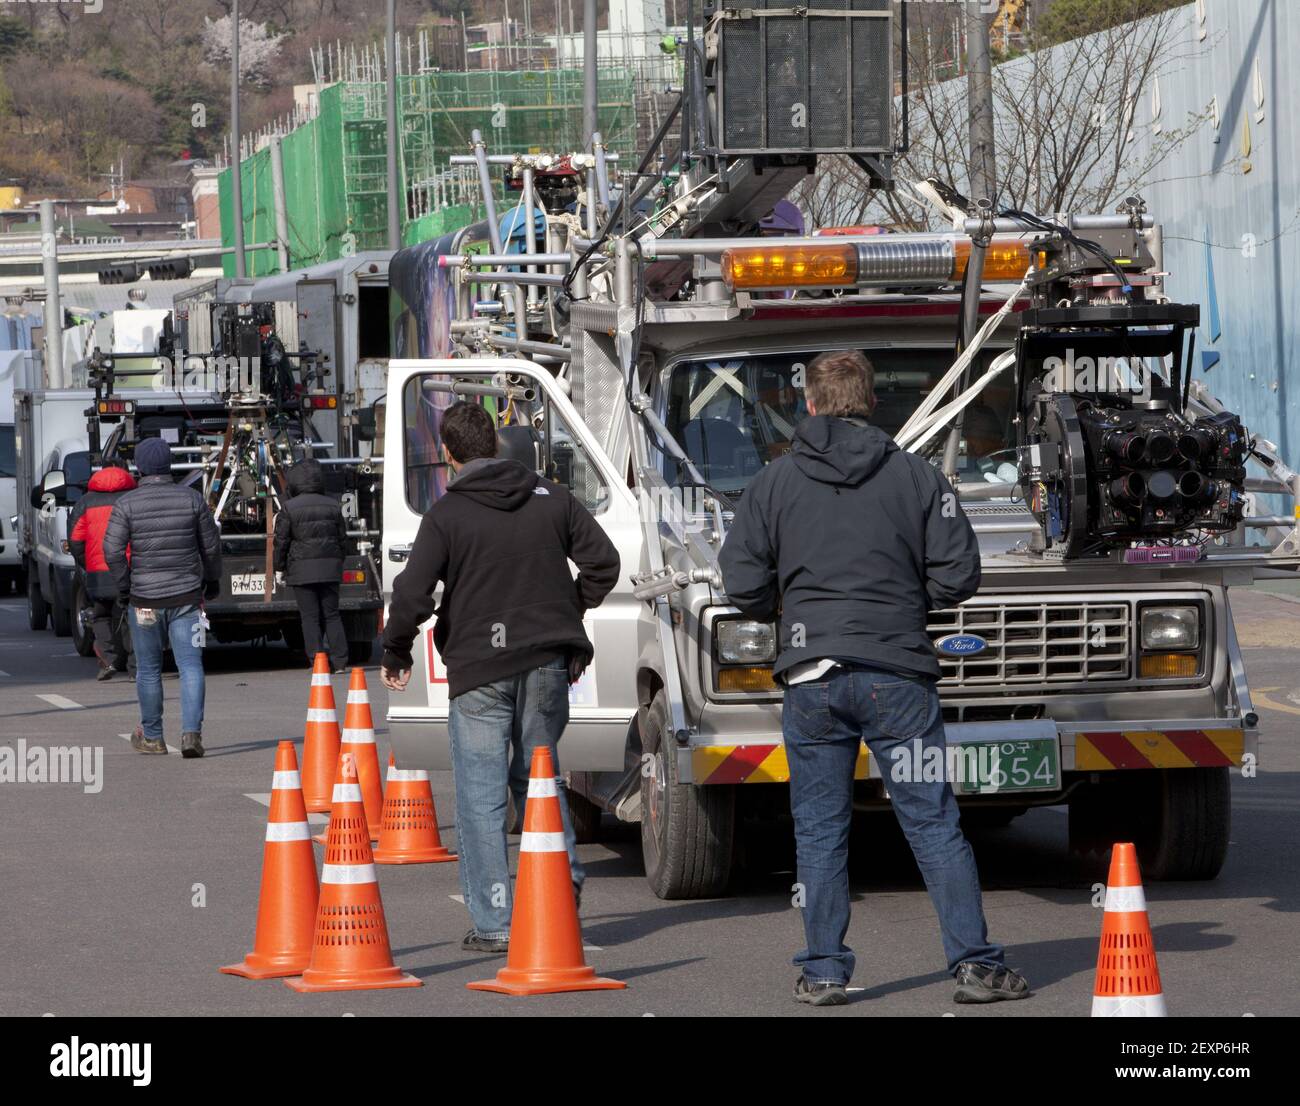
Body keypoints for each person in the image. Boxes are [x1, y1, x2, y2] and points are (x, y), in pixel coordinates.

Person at [719, 349, 1030, 1008]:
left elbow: (742, 583)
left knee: (820, 830)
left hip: (812, 682)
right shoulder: (917, 478)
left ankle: (826, 971)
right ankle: (974, 965)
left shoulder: (772, 485)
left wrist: (790, 596)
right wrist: (901, 597)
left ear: (809, 402)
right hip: (898, 679)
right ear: (869, 402)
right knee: (933, 823)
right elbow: (959, 574)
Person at [381, 402, 619, 953]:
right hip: (547, 664)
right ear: (495, 445)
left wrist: (396, 651)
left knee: (482, 797)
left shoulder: (446, 516)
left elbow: (413, 594)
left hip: (480, 670)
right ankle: (563, 891)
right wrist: (568, 613)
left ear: (448, 455)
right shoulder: (553, 498)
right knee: (540, 781)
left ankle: (494, 921)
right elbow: (604, 564)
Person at [103, 436, 222, 759]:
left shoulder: (126, 504)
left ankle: (153, 736)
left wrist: (126, 585)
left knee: (148, 668)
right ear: (169, 464)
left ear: (139, 468)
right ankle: (191, 734)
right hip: (186, 595)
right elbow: (210, 546)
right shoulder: (192, 500)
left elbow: (112, 550)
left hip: (144, 599)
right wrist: (211, 581)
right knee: (191, 666)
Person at [273, 458, 349, 672]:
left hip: (302, 569)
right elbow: (342, 540)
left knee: (310, 617)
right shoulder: (333, 504)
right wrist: (337, 561)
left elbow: (282, 541)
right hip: (330, 568)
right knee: (332, 614)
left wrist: (279, 568)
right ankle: (341, 661)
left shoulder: (289, 507)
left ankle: (318, 662)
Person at [68, 461, 136, 680]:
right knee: (131, 615)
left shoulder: (85, 502)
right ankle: (136, 665)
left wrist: (87, 562)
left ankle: (109, 660)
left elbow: (76, 539)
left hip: (98, 570)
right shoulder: (133, 497)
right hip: (128, 568)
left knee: (100, 614)